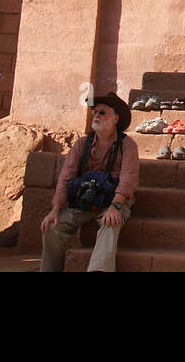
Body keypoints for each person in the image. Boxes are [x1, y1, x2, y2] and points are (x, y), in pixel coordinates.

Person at [40, 92, 139, 272]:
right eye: (95, 112)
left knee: (110, 224)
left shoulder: (127, 145)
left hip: (113, 202)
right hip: (82, 202)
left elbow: (128, 178)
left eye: (102, 112)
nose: (96, 115)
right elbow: (66, 176)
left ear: (115, 118)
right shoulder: (81, 144)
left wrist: (115, 207)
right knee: (52, 228)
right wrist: (55, 209)